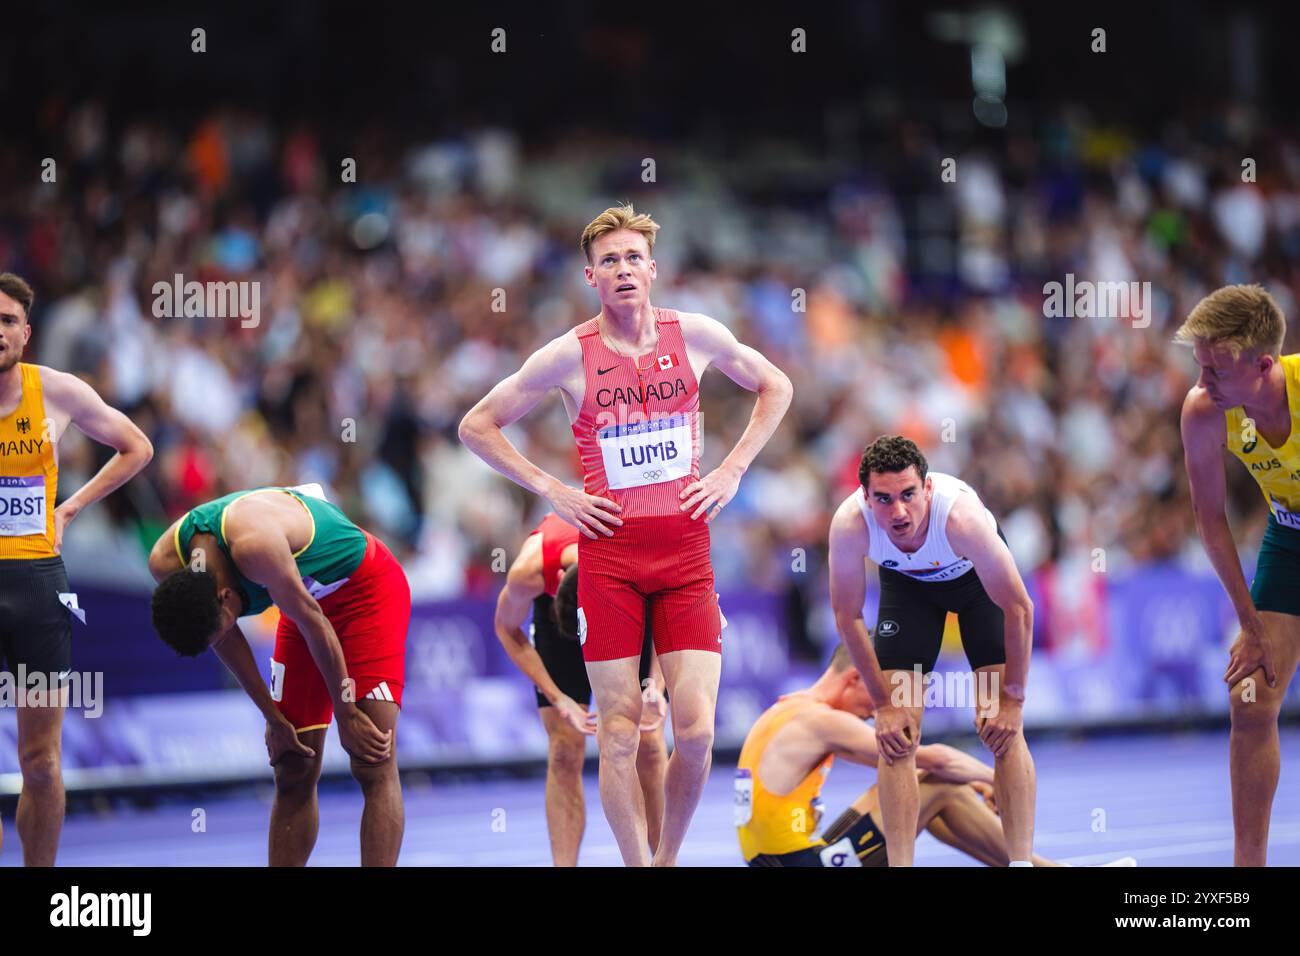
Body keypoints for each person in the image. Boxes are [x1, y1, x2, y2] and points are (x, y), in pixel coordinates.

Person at [459, 203, 793, 865]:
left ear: (654, 269)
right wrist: (554, 489)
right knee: (617, 733)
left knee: (693, 731)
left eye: (633, 258)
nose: (623, 270)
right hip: (609, 561)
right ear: (591, 276)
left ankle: (665, 857)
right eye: (609, 261)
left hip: (687, 556)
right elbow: (477, 425)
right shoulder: (567, 357)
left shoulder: (694, 335)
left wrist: (731, 470)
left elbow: (776, 385)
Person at [147, 483, 409, 866]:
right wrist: (273, 717)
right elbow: (224, 637)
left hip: (365, 592)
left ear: (224, 596)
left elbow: (316, 623)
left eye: (222, 627)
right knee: (293, 767)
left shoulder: (256, 548)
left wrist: (347, 711)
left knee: (371, 758)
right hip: (303, 601)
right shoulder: (167, 564)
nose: (223, 637)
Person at [0, 272, 154, 866]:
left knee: (39, 763)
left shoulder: (57, 392)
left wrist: (70, 508)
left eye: (9, 320)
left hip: (37, 591)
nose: (0, 330)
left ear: (27, 333)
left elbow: (136, 446)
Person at [828, 435, 1037, 866]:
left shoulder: (961, 520)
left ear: (927, 488)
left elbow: (1019, 607)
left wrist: (1013, 702)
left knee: (1001, 729)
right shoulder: (849, 525)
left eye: (908, 495)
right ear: (865, 498)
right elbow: (848, 617)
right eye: (883, 499)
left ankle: (1020, 863)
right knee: (897, 737)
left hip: (978, 590)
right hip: (910, 593)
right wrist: (884, 705)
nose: (899, 511)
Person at [738, 645, 1069, 867]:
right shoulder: (821, 721)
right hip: (798, 862)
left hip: (780, 859)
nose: (878, 711)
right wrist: (996, 781)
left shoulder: (787, 709)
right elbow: (933, 761)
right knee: (934, 783)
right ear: (855, 678)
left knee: (912, 798)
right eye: (878, 695)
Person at [1177, 283, 1300, 866]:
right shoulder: (1204, 411)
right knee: (1249, 697)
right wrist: (1249, 623)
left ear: (1265, 365)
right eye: (1199, 367)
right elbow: (1209, 518)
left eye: (1217, 371)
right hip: (1291, 540)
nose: (1203, 384)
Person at [494, 513, 667, 865]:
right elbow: (505, 629)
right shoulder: (531, 570)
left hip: (622, 601)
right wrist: (558, 698)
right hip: (561, 624)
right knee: (563, 748)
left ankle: (665, 859)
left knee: (648, 742)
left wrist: (655, 687)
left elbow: (669, 616)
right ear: (556, 580)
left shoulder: (638, 555)